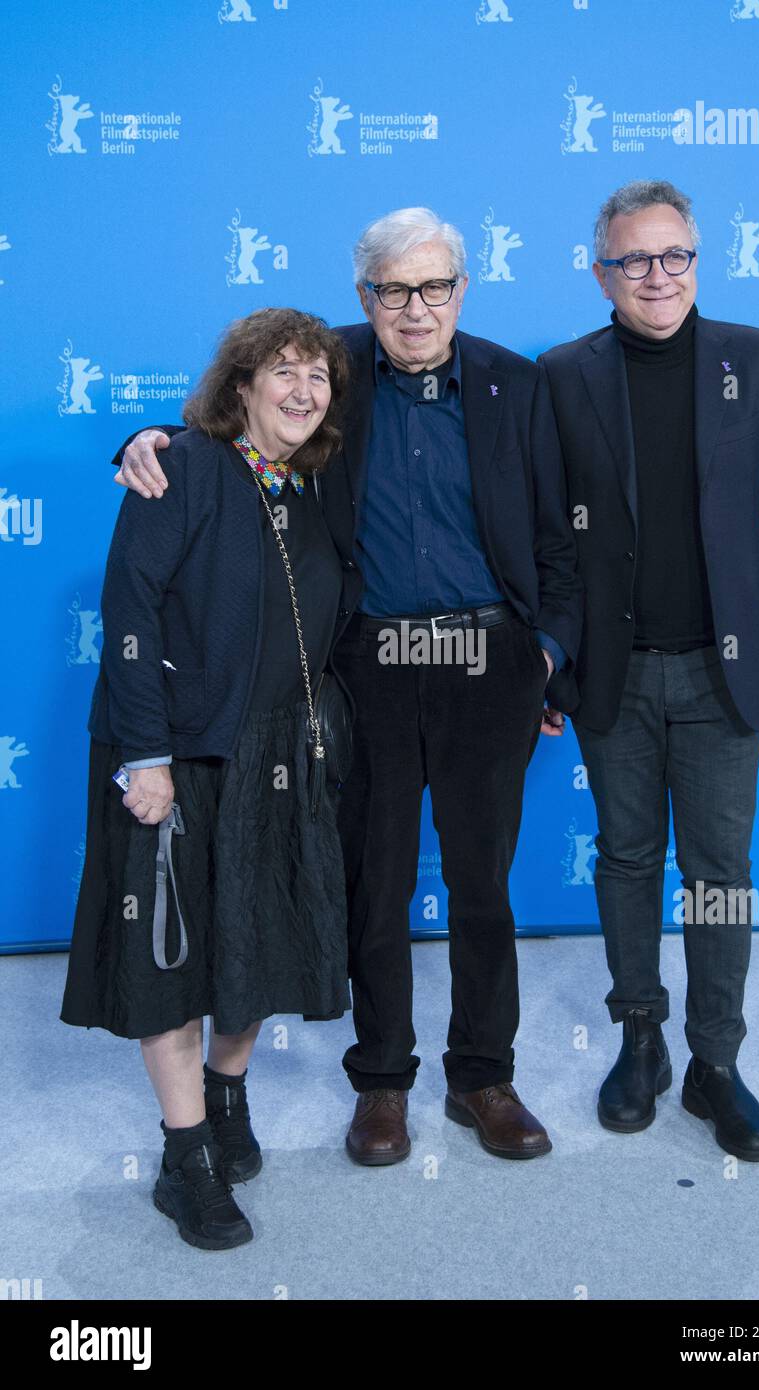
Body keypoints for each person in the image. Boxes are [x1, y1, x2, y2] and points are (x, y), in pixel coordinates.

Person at [110, 206, 583, 1165]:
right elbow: (240, 424)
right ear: (365, 295)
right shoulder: (333, 368)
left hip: (487, 661)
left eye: (435, 286)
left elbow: (561, 537)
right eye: (394, 290)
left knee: (481, 886)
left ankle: (484, 1076)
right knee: (372, 882)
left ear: (462, 289)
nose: (417, 309)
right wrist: (147, 439)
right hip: (366, 664)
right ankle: (380, 1084)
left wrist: (541, 654)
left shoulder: (515, 384)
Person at [61, 308, 358, 1248]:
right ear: (240, 386)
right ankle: (183, 1159)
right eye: (284, 371)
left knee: (255, 942)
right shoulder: (183, 467)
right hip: (176, 759)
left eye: (318, 376)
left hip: (274, 762)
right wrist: (145, 758)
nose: (303, 390)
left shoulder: (305, 490)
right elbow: (131, 607)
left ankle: (227, 1100)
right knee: (172, 965)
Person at [539, 180, 759, 1161]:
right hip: (613, 674)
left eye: (675, 257)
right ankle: (641, 1040)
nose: (656, 276)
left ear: (697, 261)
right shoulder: (561, 374)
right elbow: (548, 536)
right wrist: (550, 657)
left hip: (724, 672)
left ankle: (714, 1062)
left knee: (719, 875)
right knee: (624, 863)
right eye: (634, 260)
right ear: (600, 270)